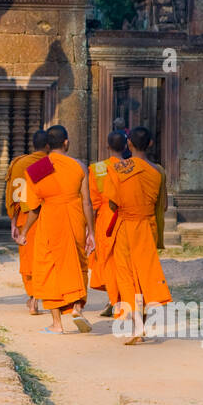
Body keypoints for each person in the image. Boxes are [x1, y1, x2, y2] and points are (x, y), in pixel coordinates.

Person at [15, 124, 95, 334]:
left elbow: (33, 208)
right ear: (66, 142)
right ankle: (77, 307)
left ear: (48, 145)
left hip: (50, 219)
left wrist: (24, 233)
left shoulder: (39, 168)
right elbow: (87, 202)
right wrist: (92, 232)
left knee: (50, 267)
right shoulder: (79, 165)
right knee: (77, 263)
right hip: (75, 218)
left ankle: (57, 323)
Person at [102, 125, 172, 344]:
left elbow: (113, 204)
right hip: (147, 226)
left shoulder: (118, 169)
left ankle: (137, 326)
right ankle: (141, 322)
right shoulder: (158, 172)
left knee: (126, 274)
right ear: (150, 144)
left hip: (126, 226)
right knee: (144, 272)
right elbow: (165, 206)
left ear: (129, 144)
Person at [5, 129, 49, 314]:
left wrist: (13, 222)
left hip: (25, 216)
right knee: (45, 257)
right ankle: (42, 296)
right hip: (48, 216)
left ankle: (32, 298)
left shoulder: (19, 164)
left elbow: (15, 195)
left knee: (28, 259)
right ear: (48, 146)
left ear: (33, 145)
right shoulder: (50, 164)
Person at [88, 130, 130, 317]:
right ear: (127, 146)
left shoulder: (97, 169)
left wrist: (89, 228)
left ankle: (116, 301)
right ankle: (117, 300)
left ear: (107, 147)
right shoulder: (131, 167)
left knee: (108, 260)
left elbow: (93, 202)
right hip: (127, 216)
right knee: (124, 260)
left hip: (105, 218)